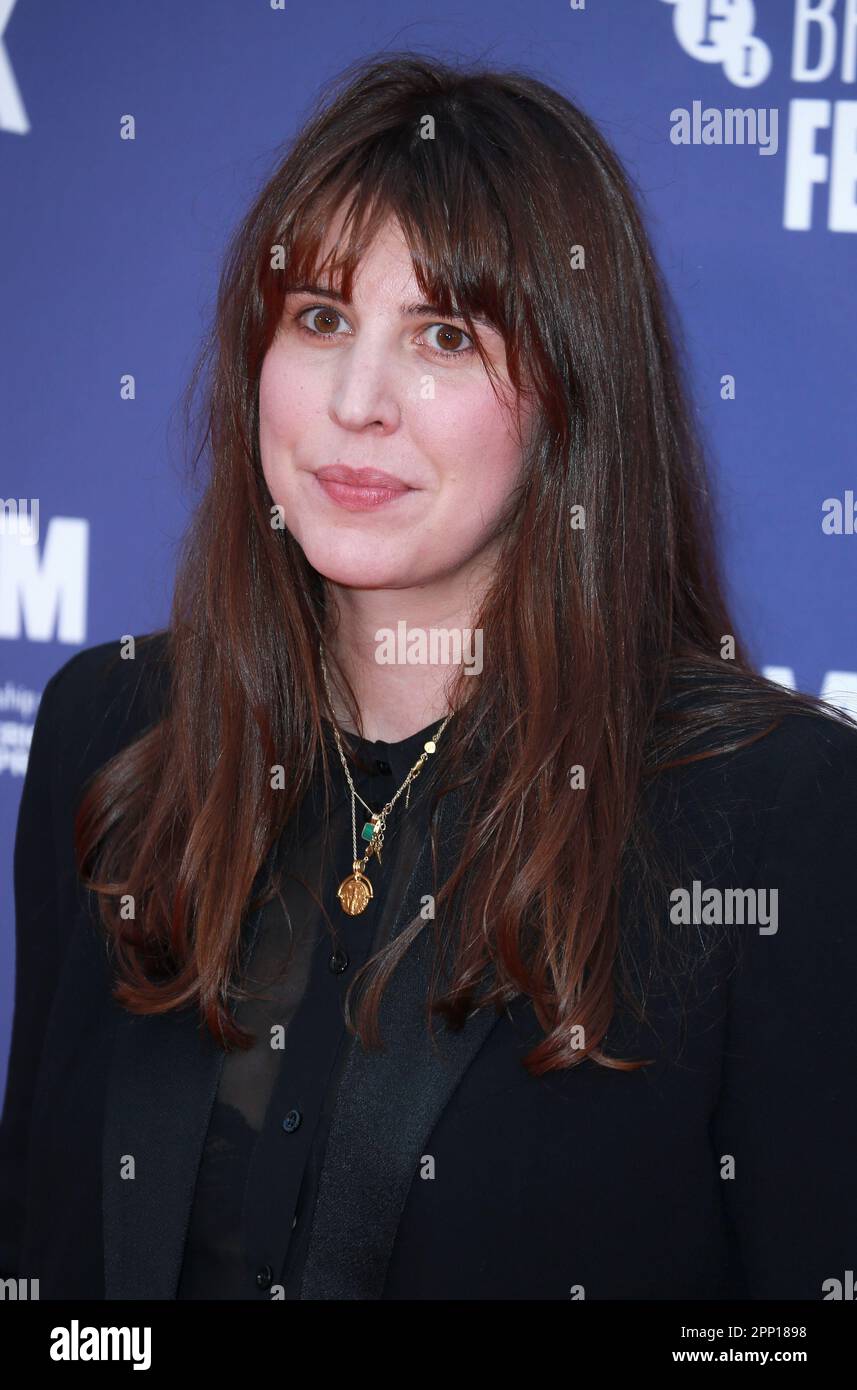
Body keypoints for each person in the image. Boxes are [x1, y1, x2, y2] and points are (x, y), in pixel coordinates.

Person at [2, 51, 856, 1302]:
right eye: (321, 319)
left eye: (445, 335)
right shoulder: (117, 730)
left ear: (573, 390)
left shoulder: (771, 809)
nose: (357, 401)